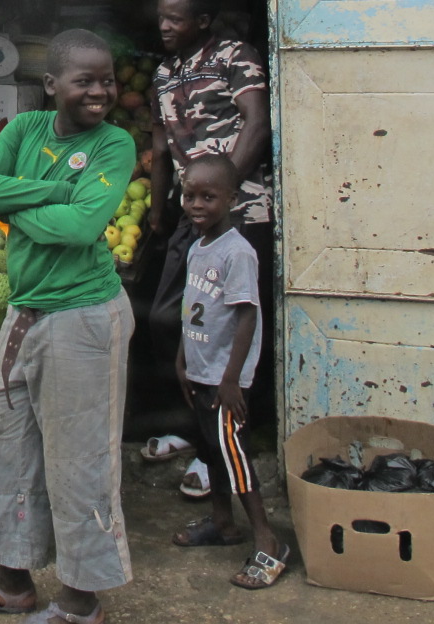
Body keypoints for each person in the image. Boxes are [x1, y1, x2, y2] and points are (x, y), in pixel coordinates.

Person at [0, 29, 136, 624]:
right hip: (25, 313)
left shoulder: (115, 145)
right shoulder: (24, 130)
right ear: (52, 85)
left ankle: (80, 601)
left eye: (107, 79)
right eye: (85, 80)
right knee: (3, 448)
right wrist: (54, 191)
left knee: (79, 462)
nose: (99, 90)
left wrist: (13, 205)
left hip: (83, 316)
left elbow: (80, 229)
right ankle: (12, 581)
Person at [144, 0, 273, 499]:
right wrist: (158, 212)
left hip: (240, 214)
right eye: (161, 18)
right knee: (164, 320)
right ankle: (193, 423)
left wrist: (222, 194)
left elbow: (257, 124)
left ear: (201, 21)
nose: (165, 26)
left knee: (231, 333)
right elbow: (159, 141)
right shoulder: (163, 73)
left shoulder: (233, 57)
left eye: (176, 18)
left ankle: (221, 450)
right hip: (190, 216)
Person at [170, 154, 289, 590]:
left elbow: (246, 317)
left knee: (234, 457)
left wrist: (231, 378)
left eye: (208, 196)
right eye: (189, 196)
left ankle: (267, 538)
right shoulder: (199, 246)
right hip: (200, 374)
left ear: (233, 199)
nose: (196, 205)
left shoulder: (238, 252)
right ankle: (223, 523)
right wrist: (183, 360)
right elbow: (192, 309)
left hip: (224, 380)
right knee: (211, 451)